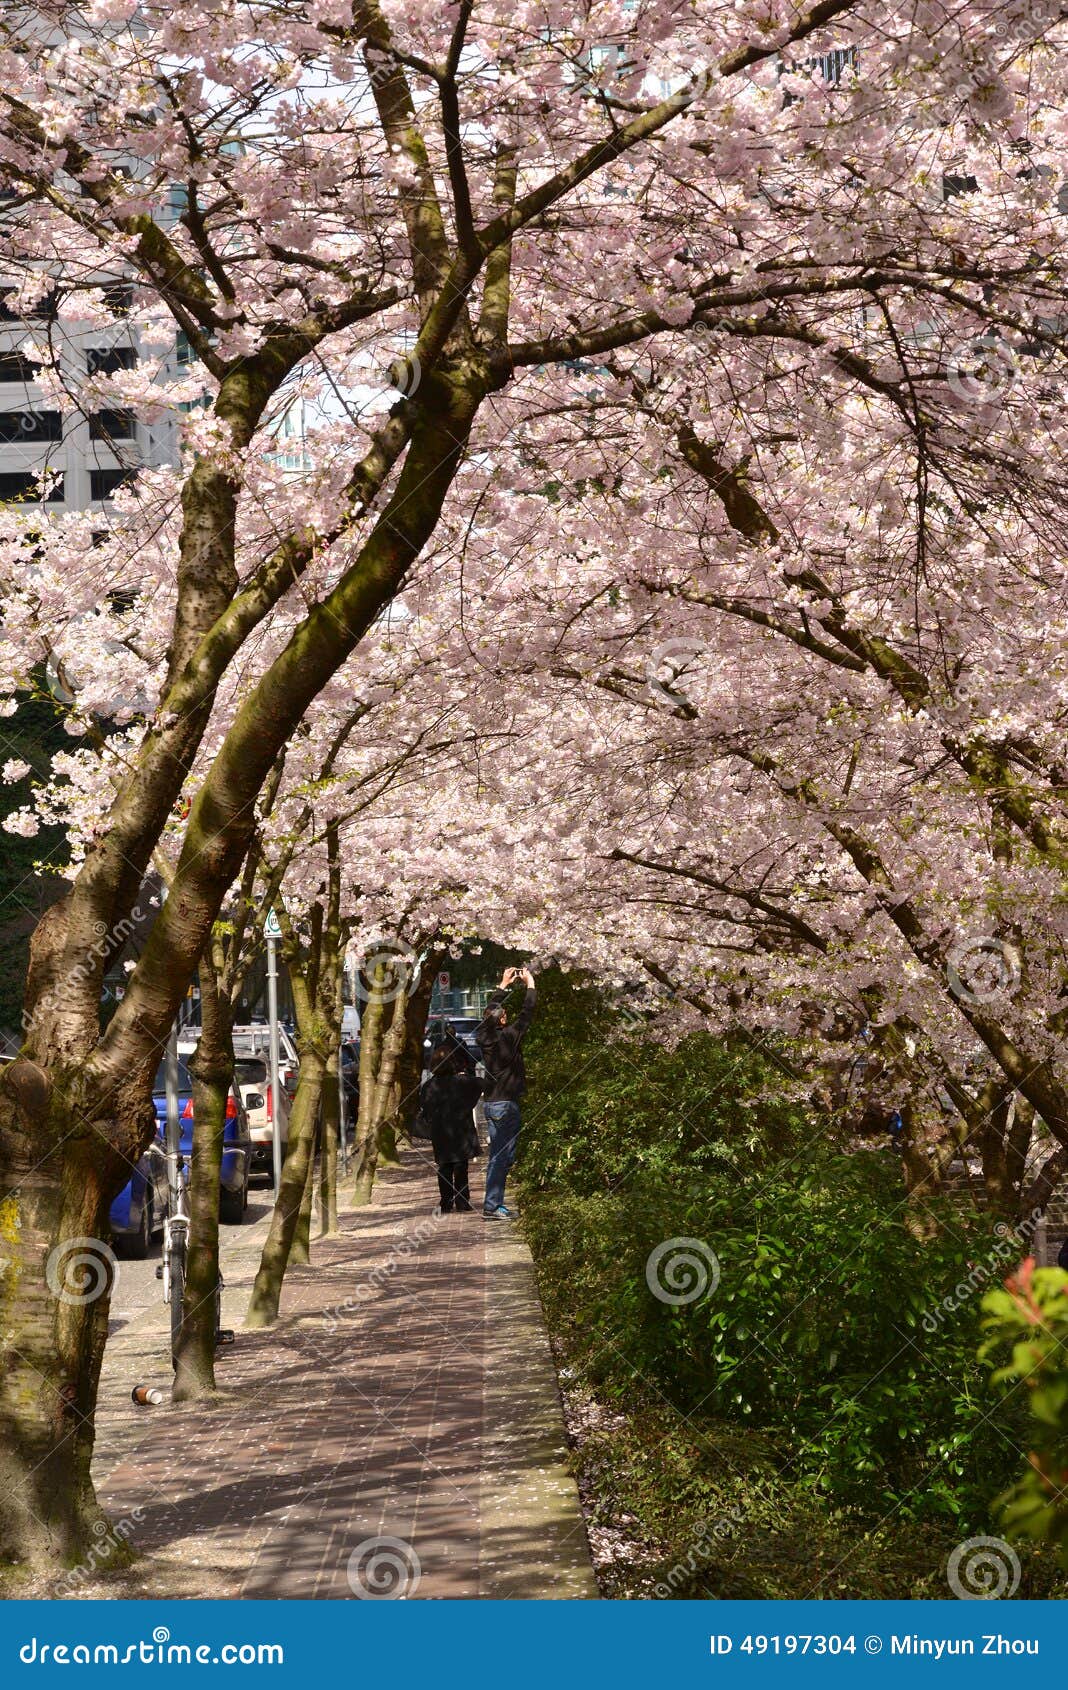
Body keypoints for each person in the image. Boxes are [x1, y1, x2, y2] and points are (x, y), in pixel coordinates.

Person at [475, 965, 536, 1220]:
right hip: (505, 1105)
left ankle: (494, 1202)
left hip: (491, 1104)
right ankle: (492, 1205)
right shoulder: (509, 1037)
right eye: (504, 1016)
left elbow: (488, 1017)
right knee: (501, 1157)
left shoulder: (483, 1038)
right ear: (501, 1020)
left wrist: (503, 985)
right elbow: (527, 1012)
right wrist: (530, 985)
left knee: (504, 1155)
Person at [421, 1043, 483, 1214]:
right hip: (461, 1130)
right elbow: (481, 1084)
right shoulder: (463, 1082)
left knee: (444, 1167)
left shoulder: (429, 1086)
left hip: (441, 1131)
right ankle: (462, 1201)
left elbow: (425, 1109)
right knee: (461, 1166)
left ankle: (446, 1201)